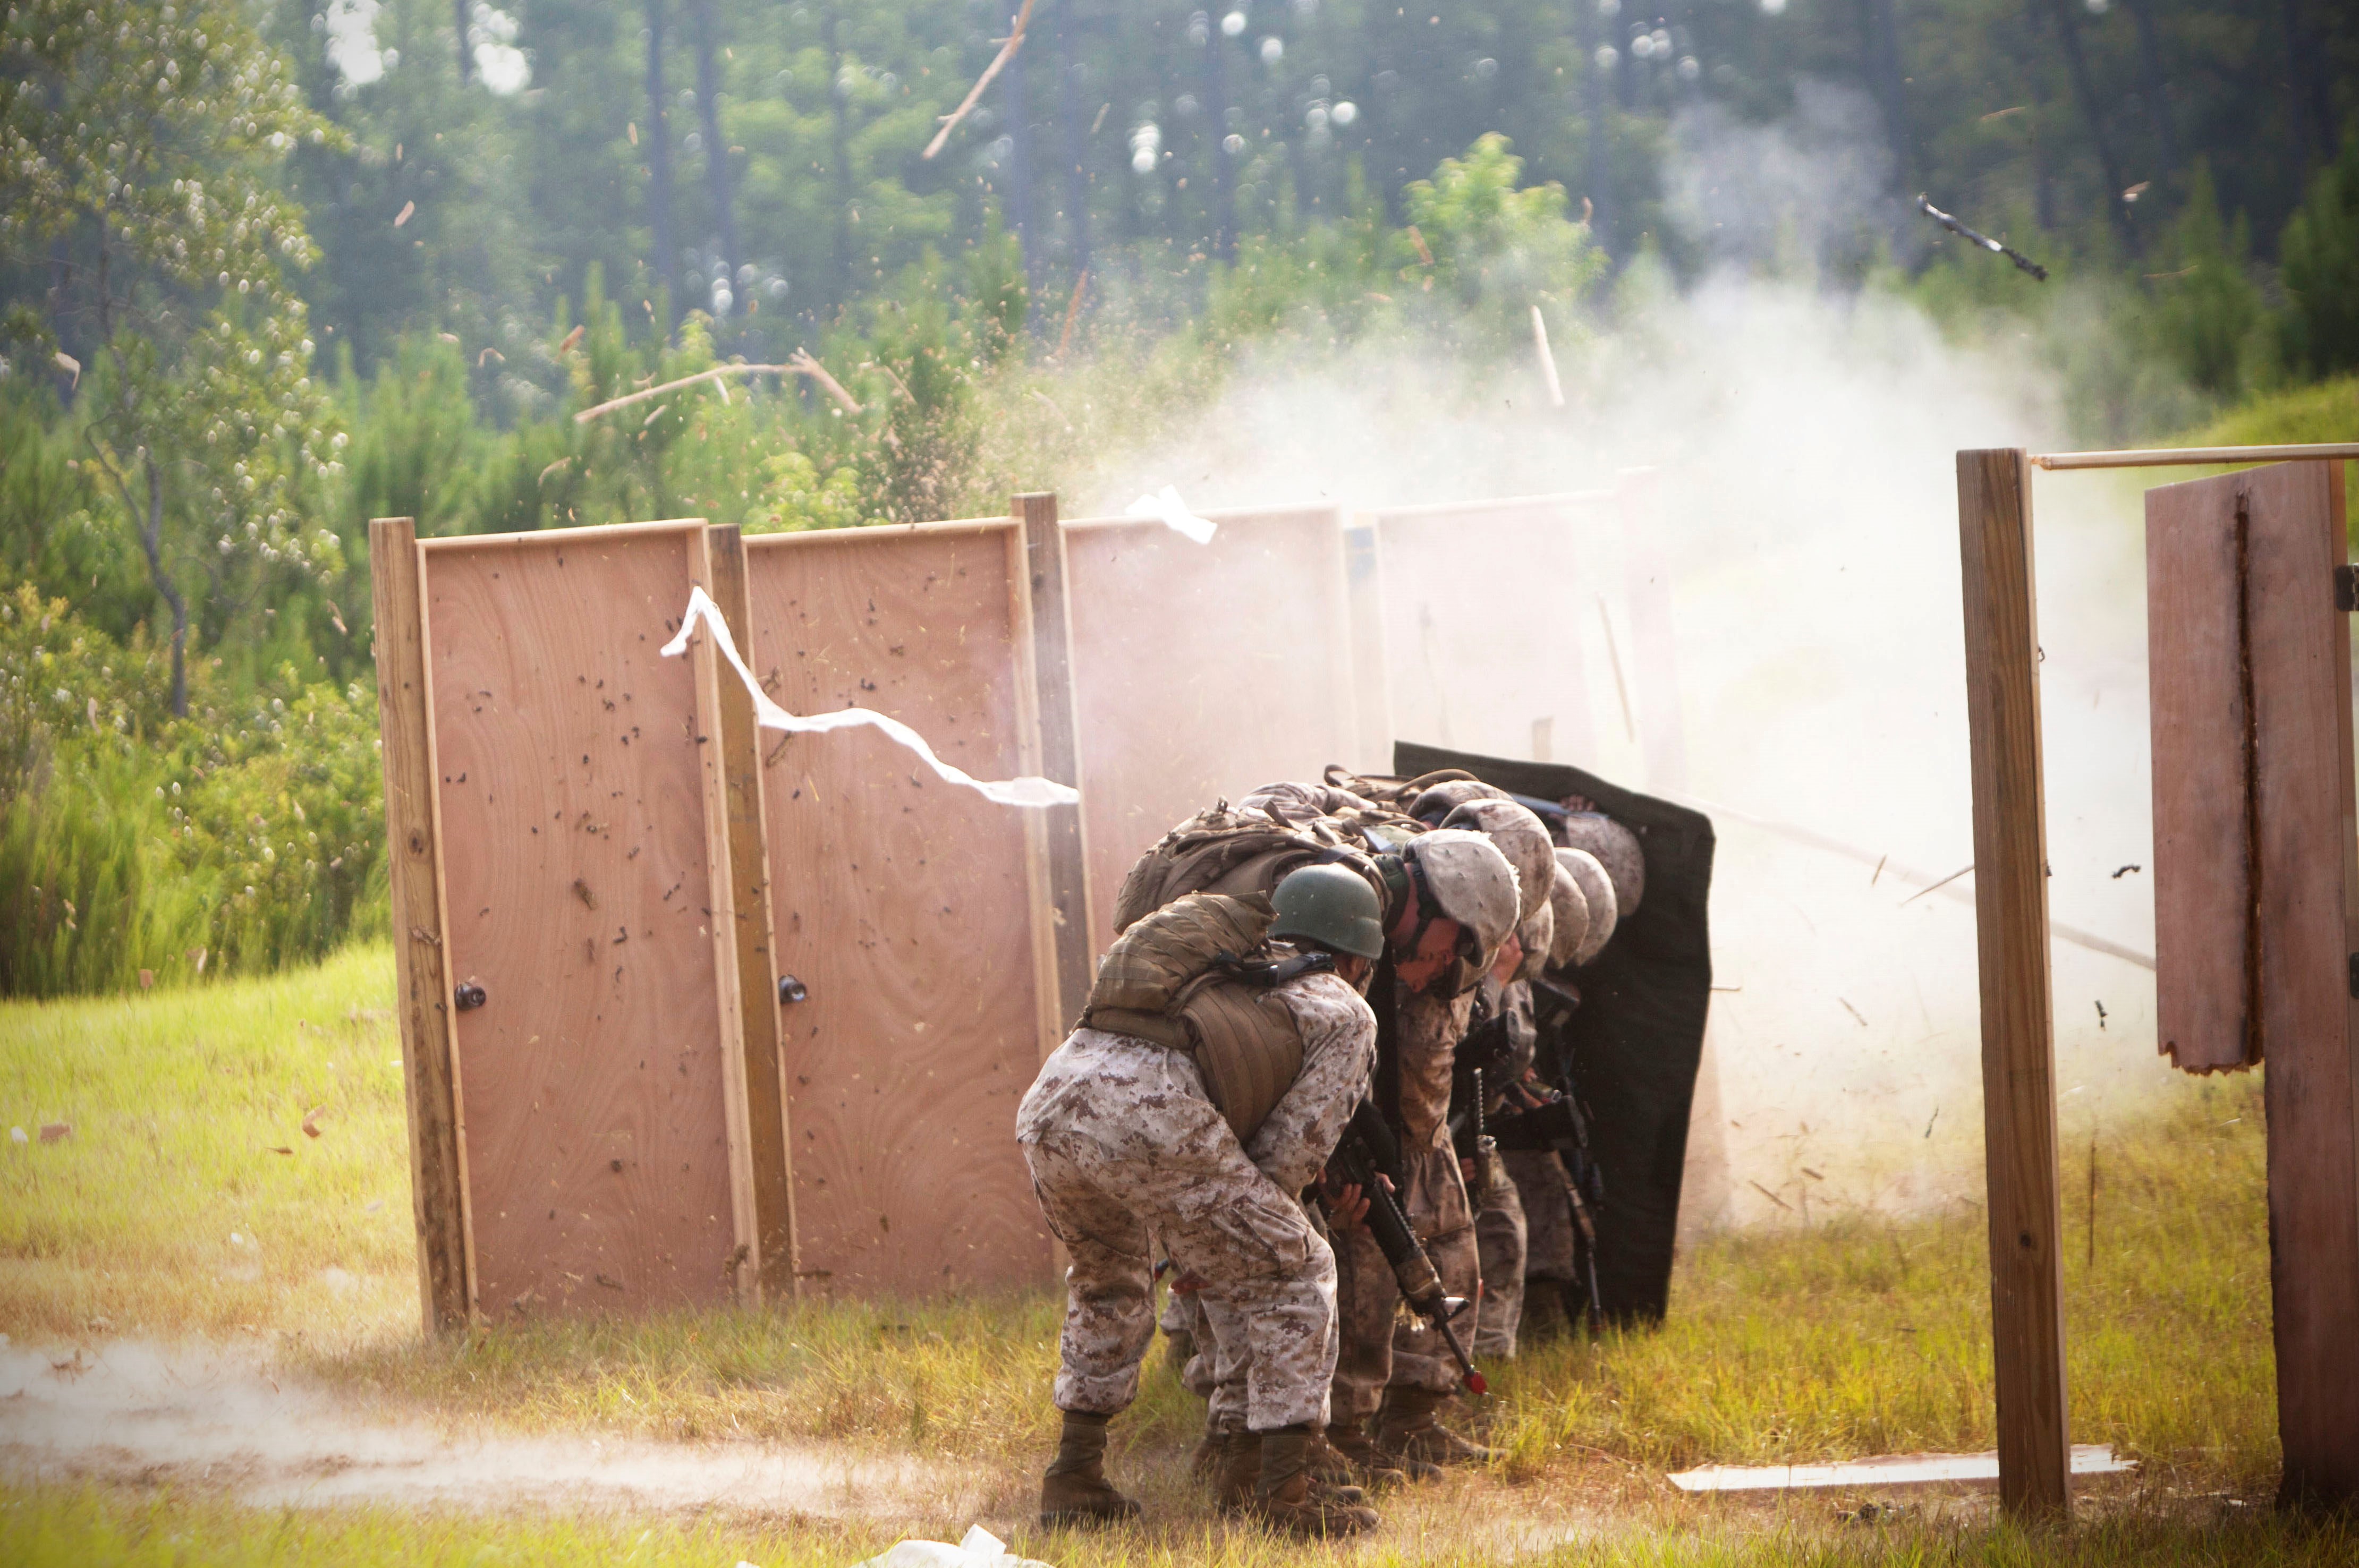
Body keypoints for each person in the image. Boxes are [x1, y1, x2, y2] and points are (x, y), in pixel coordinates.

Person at [1016, 865, 1391, 1537]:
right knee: (1298, 1269)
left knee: (1108, 1284)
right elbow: (1287, 1158)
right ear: (1358, 957)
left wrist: (1205, 1240)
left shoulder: (1226, 968)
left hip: (1052, 1102)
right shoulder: (1344, 1008)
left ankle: (1075, 1477)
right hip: (1150, 1113)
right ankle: (1282, 1494)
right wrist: (1218, 1246)